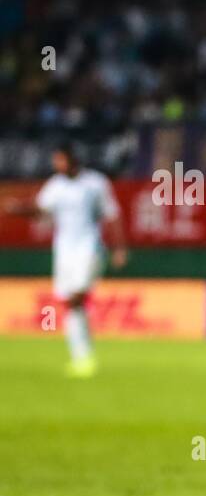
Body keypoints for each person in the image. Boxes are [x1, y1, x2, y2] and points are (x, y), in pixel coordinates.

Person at [2, 144, 128, 376]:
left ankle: (84, 356)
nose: (57, 165)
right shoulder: (55, 187)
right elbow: (40, 211)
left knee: (76, 298)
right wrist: (17, 209)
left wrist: (119, 248)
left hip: (89, 247)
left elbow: (112, 215)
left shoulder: (96, 183)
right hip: (64, 251)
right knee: (71, 304)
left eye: (61, 160)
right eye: (55, 161)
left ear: (73, 159)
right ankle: (82, 358)